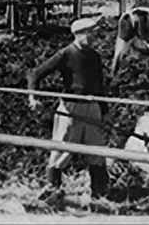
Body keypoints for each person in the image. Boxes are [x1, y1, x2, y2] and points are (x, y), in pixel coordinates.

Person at [27, 16, 109, 202]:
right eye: (91, 33)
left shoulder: (94, 57)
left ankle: (100, 193)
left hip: (92, 106)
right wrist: (33, 97)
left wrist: (103, 109)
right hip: (71, 108)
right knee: (63, 147)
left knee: (97, 149)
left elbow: (99, 84)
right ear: (79, 34)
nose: (95, 37)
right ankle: (53, 188)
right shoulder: (66, 54)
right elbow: (35, 74)